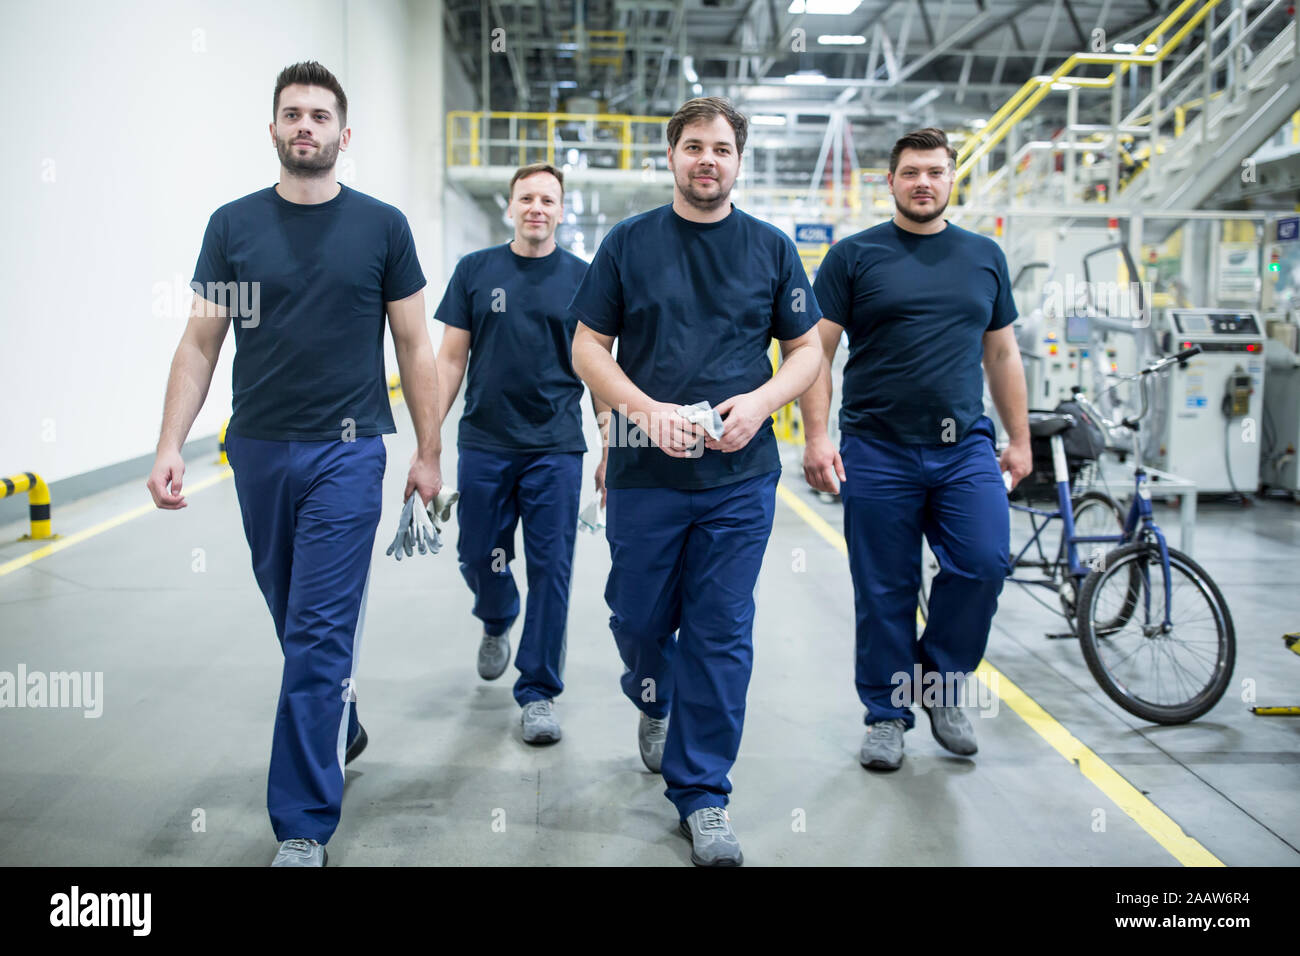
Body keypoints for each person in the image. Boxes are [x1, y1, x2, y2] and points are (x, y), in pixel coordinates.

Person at [145, 61, 442, 867]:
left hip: (349, 455)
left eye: (319, 116)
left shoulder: (381, 228)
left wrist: (427, 449)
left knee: (316, 632)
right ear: (273, 130)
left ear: (345, 137)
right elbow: (200, 344)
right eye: (291, 114)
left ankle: (303, 824)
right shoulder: (234, 227)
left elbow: (416, 346)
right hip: (259, 451)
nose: (304, 126)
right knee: (294, 618)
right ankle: (338, 714)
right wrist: (171, 441)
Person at [570, 96, 823, 866]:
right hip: (646, 472)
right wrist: (642, 413)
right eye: (693, 147)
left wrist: (766, 402)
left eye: (721, 148)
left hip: (739, 477)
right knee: (639, 618)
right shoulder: (628, 244)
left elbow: (808, 351)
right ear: (672, 156)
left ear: (737, 161)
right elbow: (587, 346)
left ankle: (704, 794)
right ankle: (653, 693)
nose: (707, 159)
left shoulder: (772, 250)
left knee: (721, 629)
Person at [800, 127, 1031, 772]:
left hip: (965, 450)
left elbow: (1002, 351)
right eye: (910, 172)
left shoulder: (984, 256)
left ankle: (938, 680)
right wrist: (817, 436)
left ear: (951, 178)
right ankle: (885, 713)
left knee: (984, 562)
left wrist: (1020, 436)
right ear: (892, 181)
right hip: (877, 448)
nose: (923, 182)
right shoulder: (853, 256)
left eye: (935, 171)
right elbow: (814, 351)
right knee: (884, 588)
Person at [433, 162, 603, 745]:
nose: (537, 207)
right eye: (526, 197)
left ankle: (538, 691)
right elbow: (451, 358)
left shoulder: (586, 280)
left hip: (556, 446)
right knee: (480, 553)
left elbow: (601, 369)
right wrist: (427, 441)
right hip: (484, 440)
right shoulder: (475, 272)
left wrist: (611, 443)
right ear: (510, 207)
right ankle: (496, 614)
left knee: (552, 568)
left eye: (548, 199)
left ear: (560, 210)